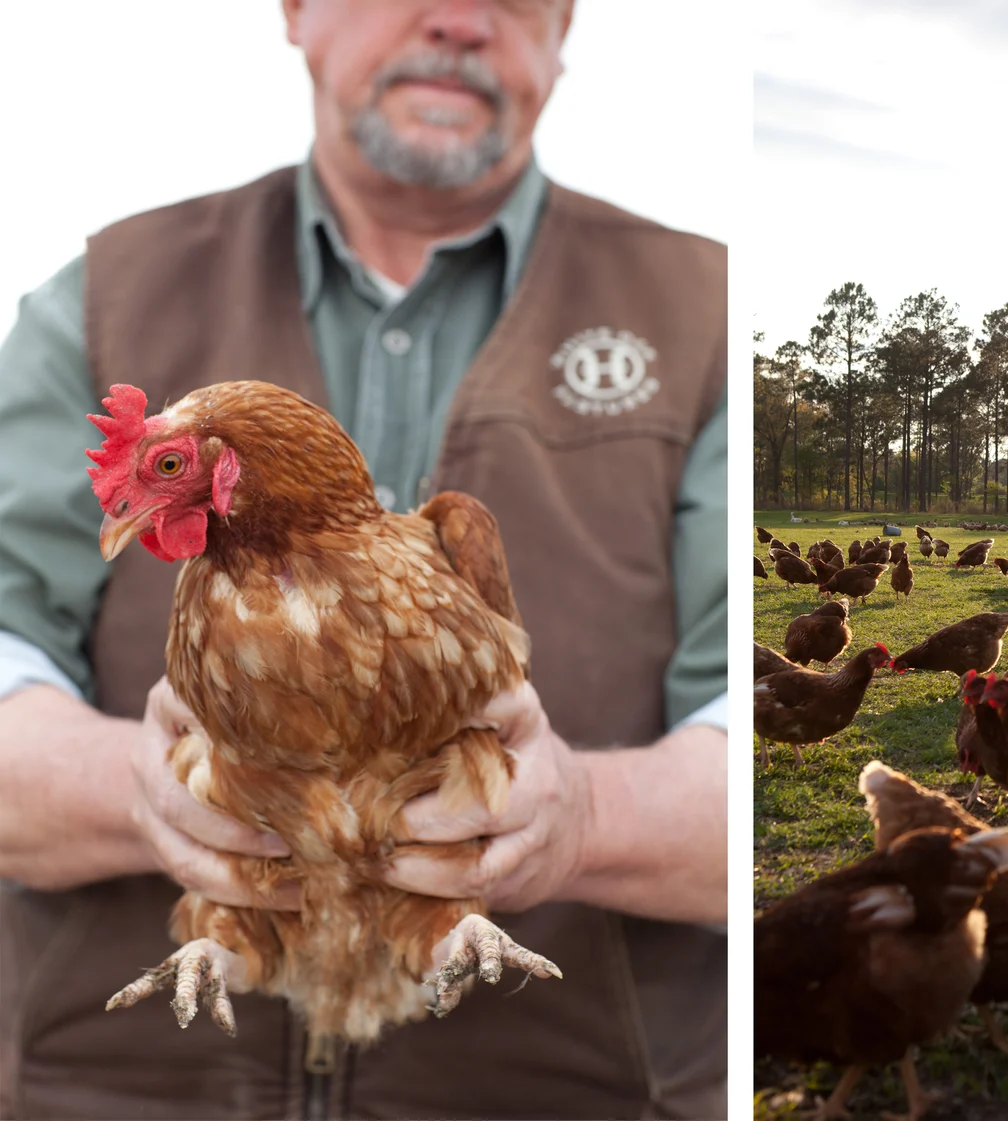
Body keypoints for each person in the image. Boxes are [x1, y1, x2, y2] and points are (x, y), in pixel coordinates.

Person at [0, 2, 727, 1118]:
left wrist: (581, 818)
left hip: (563, 1085)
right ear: (295, 10)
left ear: (568, 26)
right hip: (123, 1085)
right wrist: (140, 792)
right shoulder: (97, 299)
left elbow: (756, 722)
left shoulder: (704, 315)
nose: (457, 20)